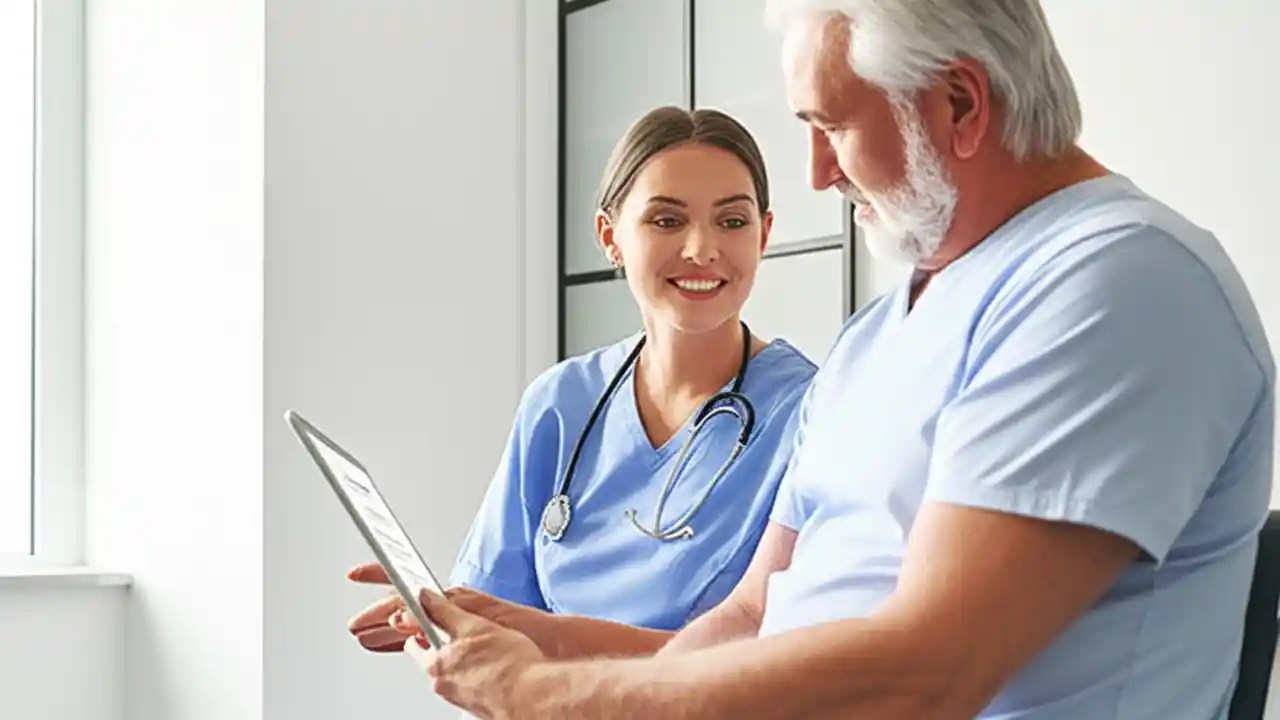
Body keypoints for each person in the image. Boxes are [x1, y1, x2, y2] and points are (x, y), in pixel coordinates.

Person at [367, 1, 1276, 718]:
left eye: (830, 127)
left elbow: (927, 676)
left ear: (960, 103)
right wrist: (540, 650)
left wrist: (553, 699)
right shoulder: (877, 337)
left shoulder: (1116, 283)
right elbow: (748, 618)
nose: (812, 175)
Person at [346, 105, 818, 654]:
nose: (701, 248)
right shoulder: (560, 403)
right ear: (610, 235)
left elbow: (777, 654)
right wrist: (441, 623)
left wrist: (526, 633)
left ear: (764, 234)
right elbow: (492, 611)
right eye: (667, 220)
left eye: (732, 221)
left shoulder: (810, 412)